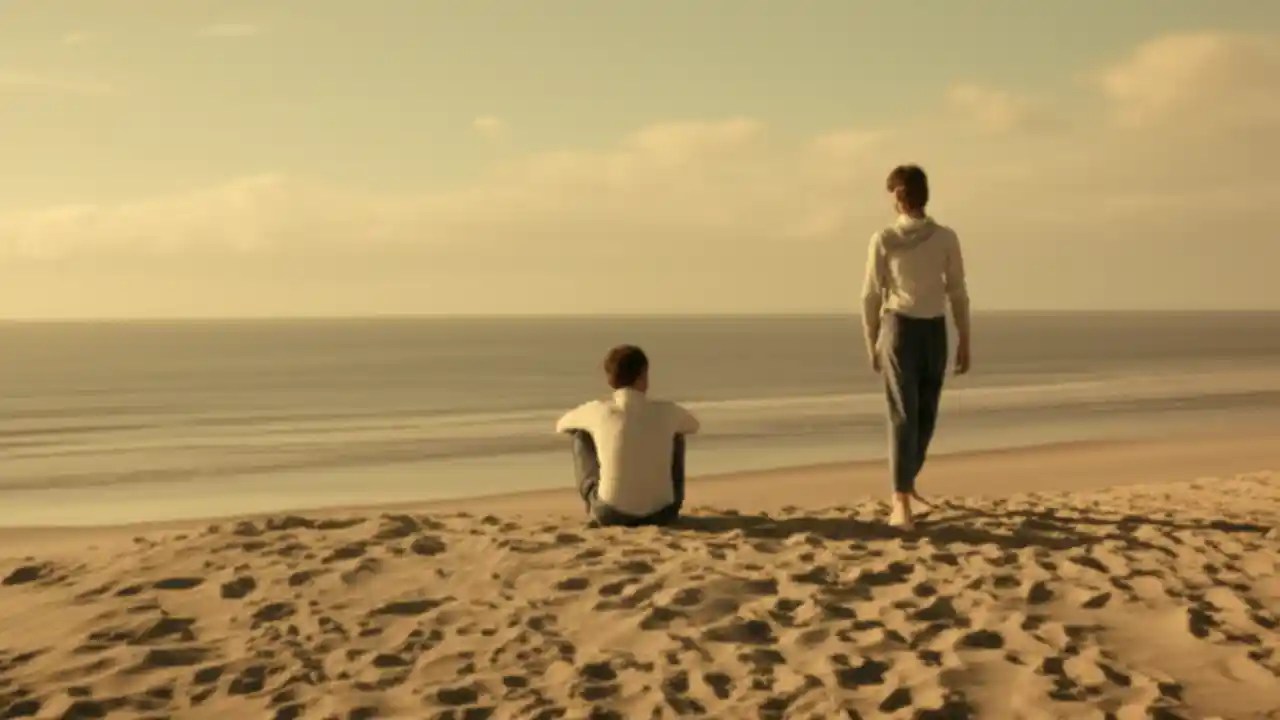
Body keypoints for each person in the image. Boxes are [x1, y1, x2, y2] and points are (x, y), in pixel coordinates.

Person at [861, 164, 971, 530]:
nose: (896, 200)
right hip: (900, 328)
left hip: (933, 330)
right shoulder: (884, 239)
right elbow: (872, 294)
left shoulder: (944, 238)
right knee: (904, 415)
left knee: (925, 417)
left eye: (897, 192)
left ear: (901, 197)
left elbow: (957, 290)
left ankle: (907, 486)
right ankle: (900, 500)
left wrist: (965, 337)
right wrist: (872, 337)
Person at [555, 345, 700, 527]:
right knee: (677, 433)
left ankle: (595, 499)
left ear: (610, 379)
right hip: (663, 513)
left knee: (580, 434)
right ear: (643, 375)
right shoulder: (667, 411)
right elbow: (694, 426)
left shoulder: (599, 411)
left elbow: (561, 425)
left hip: (612, 513)